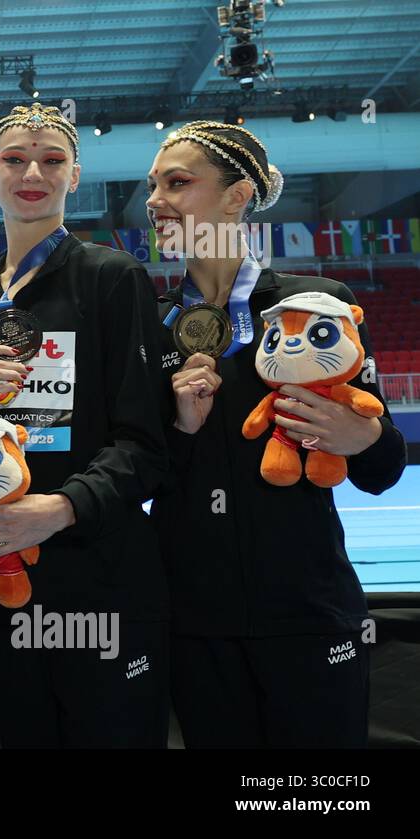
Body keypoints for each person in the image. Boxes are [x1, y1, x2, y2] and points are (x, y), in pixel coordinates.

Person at [146, 120, 407, 747]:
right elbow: (141, 474)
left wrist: (359, 436)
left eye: (177, 183)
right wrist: (179, 430)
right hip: (195, 618)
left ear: (237, 196)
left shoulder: (318, 305)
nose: (155, 200)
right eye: (152, 185)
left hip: (308, 609)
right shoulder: (151, 325)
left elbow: (385, 468)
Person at [0, 103, 171, 747]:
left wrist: (62, 508)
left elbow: (146, 446)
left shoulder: (113, 279)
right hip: (3, 587)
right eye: (14, 159)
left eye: (52, 160)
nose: (32, 172)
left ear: (76, 175)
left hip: (102, 584)